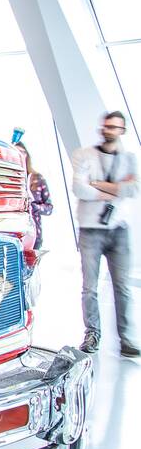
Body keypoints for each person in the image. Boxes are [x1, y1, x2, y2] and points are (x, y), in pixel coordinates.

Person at [72, 111, 138, 355]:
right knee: (90, 286)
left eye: (114, 127)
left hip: (118, 229)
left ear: (122, 131)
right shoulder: (85, 155)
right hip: (91, 229)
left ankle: (126, 339)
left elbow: (134, 189)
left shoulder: (129, 159)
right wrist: (115, 190)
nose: (109, 130)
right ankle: (92, 334)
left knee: (122, 287)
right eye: (107, 125)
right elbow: (79, 187)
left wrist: (97, 184)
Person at [16, 141, 53, 250]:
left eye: (22, 152)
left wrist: (35, 207)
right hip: (15, 234)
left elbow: (49, 208)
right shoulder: (9, 179)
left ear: (27, 155)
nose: (20, 155)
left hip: (34, 234)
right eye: (16, 152)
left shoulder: (37, 178)